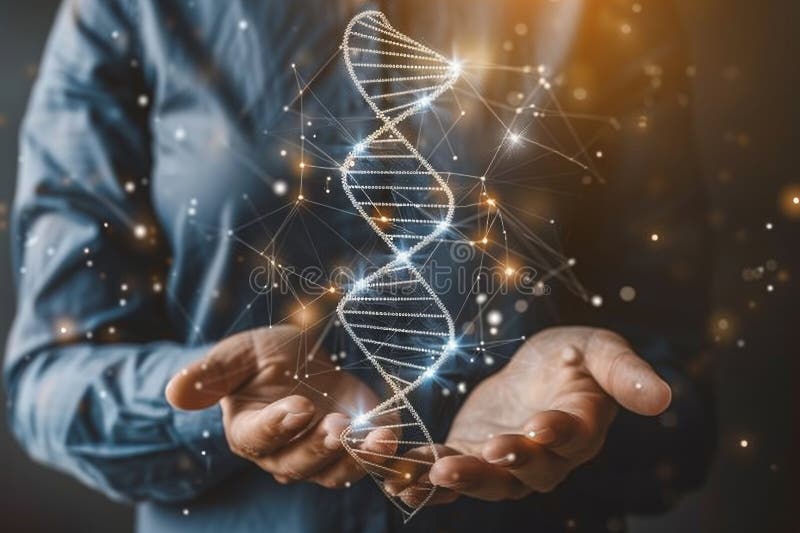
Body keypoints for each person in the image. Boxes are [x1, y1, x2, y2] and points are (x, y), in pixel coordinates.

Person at [4, 1, 714, 531]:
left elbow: (681, 405)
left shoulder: (597, 14)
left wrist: (597, 410)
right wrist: (212, 406)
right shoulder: (132, 10)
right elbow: (46, 381)